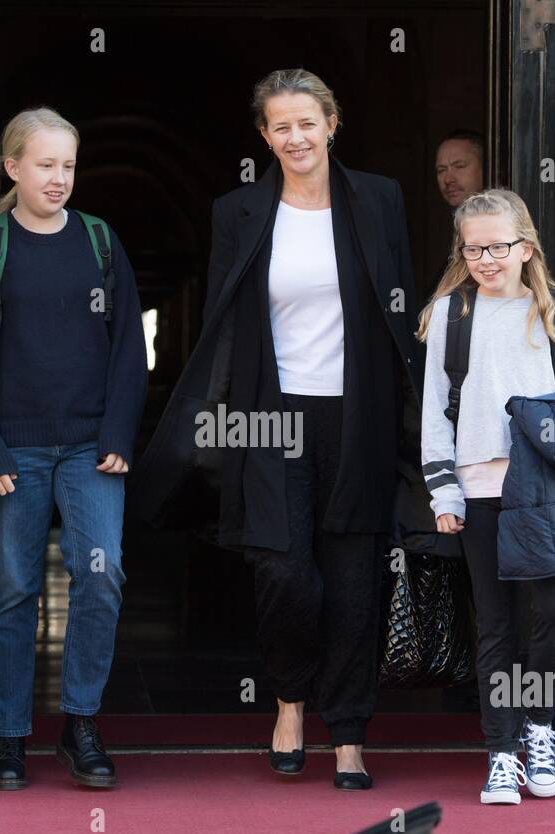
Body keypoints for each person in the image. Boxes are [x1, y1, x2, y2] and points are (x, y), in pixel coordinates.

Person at [130, 68, 427, 790]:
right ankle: (291, 700)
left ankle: (349, 733)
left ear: (332, 123)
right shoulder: (237, 211)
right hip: (269, 417)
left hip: (357, 416)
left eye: (307, 122)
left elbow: (400, 309)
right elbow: (225, 322)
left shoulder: (380, 200)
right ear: (264, 135)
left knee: (355, 580)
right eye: (280, 126)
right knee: (283, 569)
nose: (296, 137)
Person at [0, 107, 147, 791]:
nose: (58, 178)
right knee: (13, 591)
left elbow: (129, 349)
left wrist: (119, 434)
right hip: (16, 454)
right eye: (44, 165)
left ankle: (80, 724)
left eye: (67, 165)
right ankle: (8, 736)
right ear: (13, 167)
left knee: (104, 575)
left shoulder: (99, 241)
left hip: (91, 449)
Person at [416, 188, 555, 805]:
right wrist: (444, 490)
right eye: (473, 249)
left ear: (525, 247)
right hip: (480, 485)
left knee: (553, 615)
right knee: (494, 624)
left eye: (497, 247)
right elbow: (437, 407)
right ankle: (500, 752)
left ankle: (541, 730)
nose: (485, 259)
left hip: (547, 492)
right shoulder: (450, 314)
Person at [426, 129, 486, 301]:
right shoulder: (452, 228)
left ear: (486, 165)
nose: (448, 179)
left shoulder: (505, 226)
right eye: (441, 170)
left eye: (459, 166)